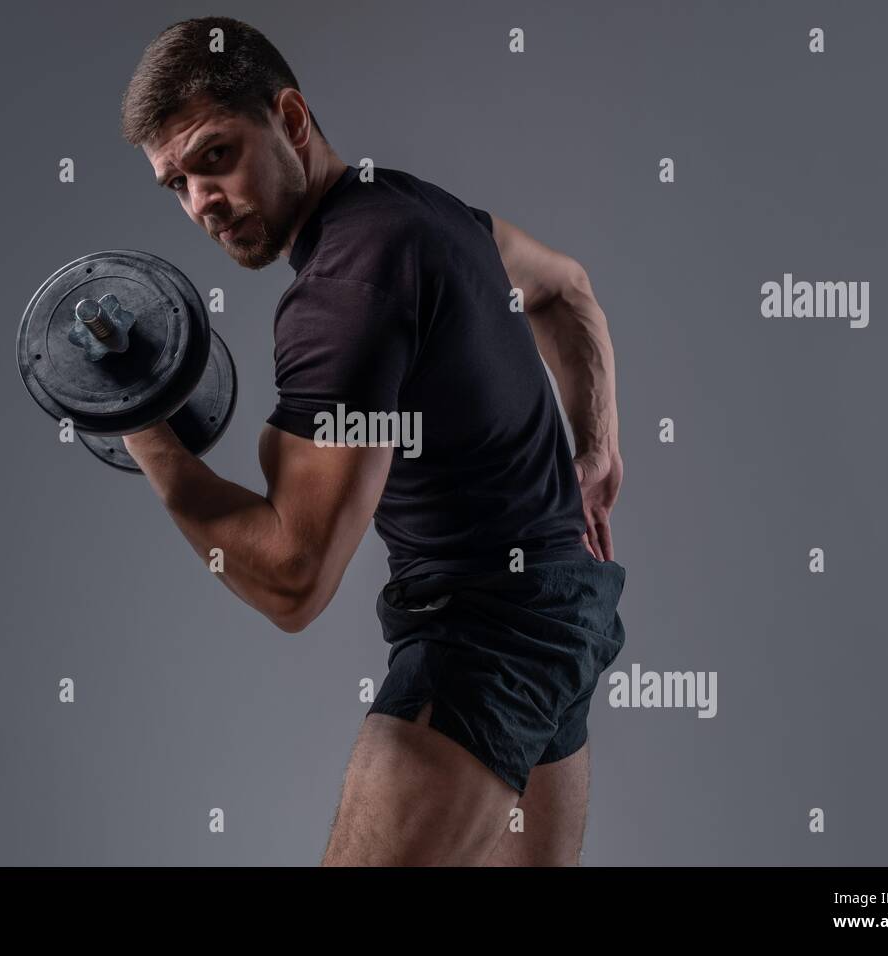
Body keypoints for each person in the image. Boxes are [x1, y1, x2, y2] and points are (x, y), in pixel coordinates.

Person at [118, 16, 626, 866]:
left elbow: (293, 580)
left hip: (485, 643)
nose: (201, 201)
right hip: (562, 613)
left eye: (215, 156)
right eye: (176, 183)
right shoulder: (416, 208)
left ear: (289, 119)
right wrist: (600, 453)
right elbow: (566, 289)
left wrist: (143, 434)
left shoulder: (343, 290)